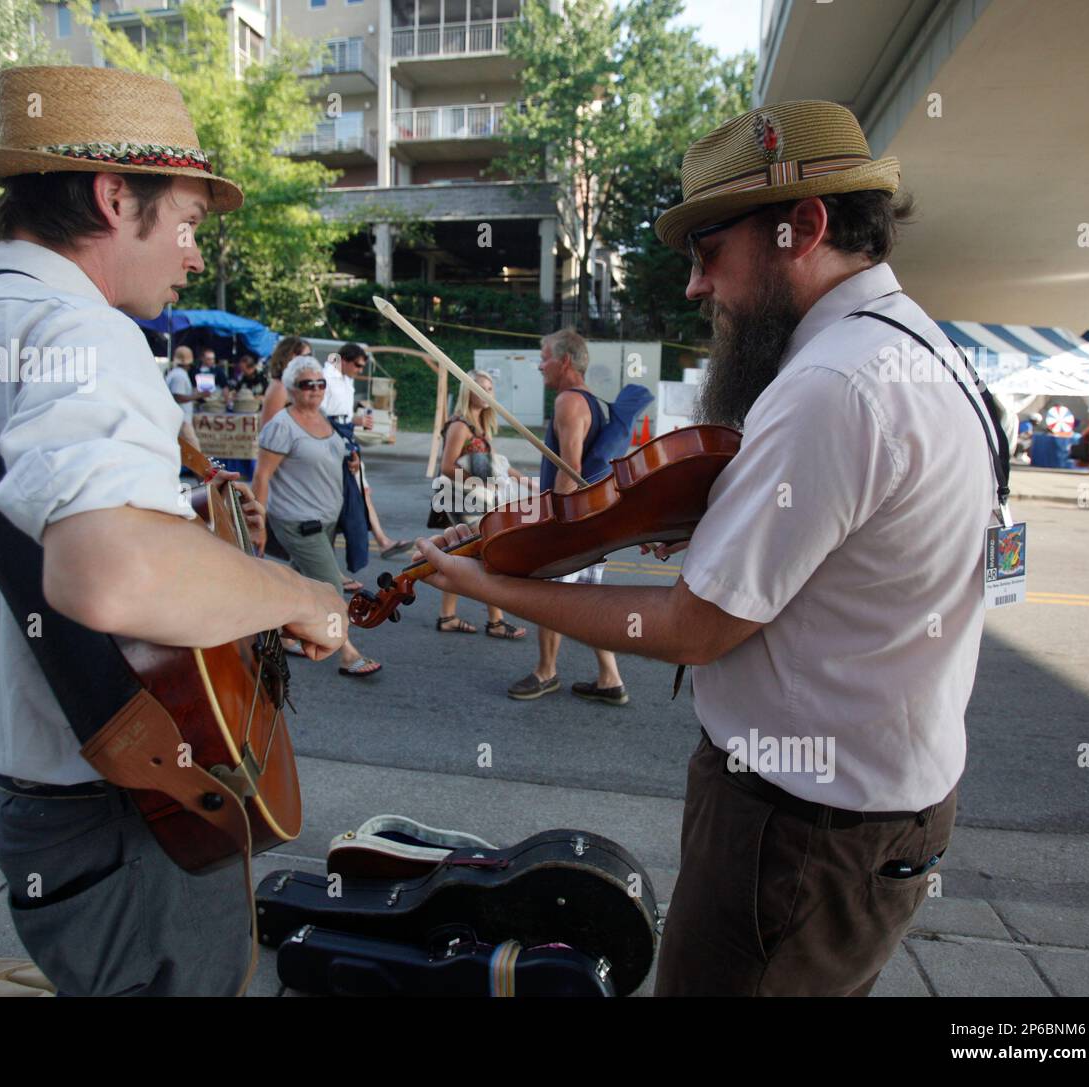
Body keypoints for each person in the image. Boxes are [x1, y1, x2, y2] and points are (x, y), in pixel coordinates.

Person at [415, 100, 995, 996]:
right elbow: (922, 559)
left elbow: (691, 627)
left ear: (801, 227)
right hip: (886, 810)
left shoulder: (833, 385)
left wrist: (484, 581)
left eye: (708, 250)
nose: (695, 285)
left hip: (800, 831)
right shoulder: (929, 353)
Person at [0, 65, 346, 996]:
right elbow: (105, 574)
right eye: (188, 223)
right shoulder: (82, 338)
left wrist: (202, 540)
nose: (195, 256)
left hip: (25, 792)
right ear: (113, 194)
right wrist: (306, 596)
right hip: (118, 814)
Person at [505, 329, 626, 705]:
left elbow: (570, 468)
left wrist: (554, 522)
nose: (540, 365)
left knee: (548, 595)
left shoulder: (569, 402)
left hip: (572, 521)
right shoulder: (597, 403)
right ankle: (610, 679)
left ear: (565, 361)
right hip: (592, 522)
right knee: (586, 600)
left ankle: (546, 672)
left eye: (544, 357)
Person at [252, 354, 382, 677]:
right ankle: (347, 653)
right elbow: (262, 476)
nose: (315, 389)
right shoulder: (282, 426)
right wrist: (258, 523)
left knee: (301, 580)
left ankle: (281, 632)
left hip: (327, 519)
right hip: (298, 521)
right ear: (292, 389)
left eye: (320, 383)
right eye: (306, 384)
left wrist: (350, 462)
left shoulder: (323, 417)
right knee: (332, 588)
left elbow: (331, 452)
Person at [431, 369, 529, 639]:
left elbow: (498, 465)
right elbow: (447, 466)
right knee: (490, 556)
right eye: (480, 387)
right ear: (468, 391)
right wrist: (479, 483)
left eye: (490, 388)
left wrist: (527, 482)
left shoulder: (480, 423)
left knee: (458, 555)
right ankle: (495, 622)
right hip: (462, 500)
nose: (486, 392)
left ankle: (447, 617)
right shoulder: (460, 425)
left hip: (476, 500)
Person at [329, 342, 413, 562]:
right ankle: (380, 541)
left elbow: (341, 414)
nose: (359, 370)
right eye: (357, 365)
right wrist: (351, 423)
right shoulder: (328, 379)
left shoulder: (346, 381)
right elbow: (326, 416)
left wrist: (353, 420)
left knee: (362, 493)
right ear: (344, 360)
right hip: (337, 444)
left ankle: (382, 540)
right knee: (349, 498)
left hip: (346, 441)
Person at [165, 343, 203, 450]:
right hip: (181, 419)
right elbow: (178, 397)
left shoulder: (176, 373)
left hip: (178, 417)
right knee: (194, 448)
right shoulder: (179, 376)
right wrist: (198, 395)